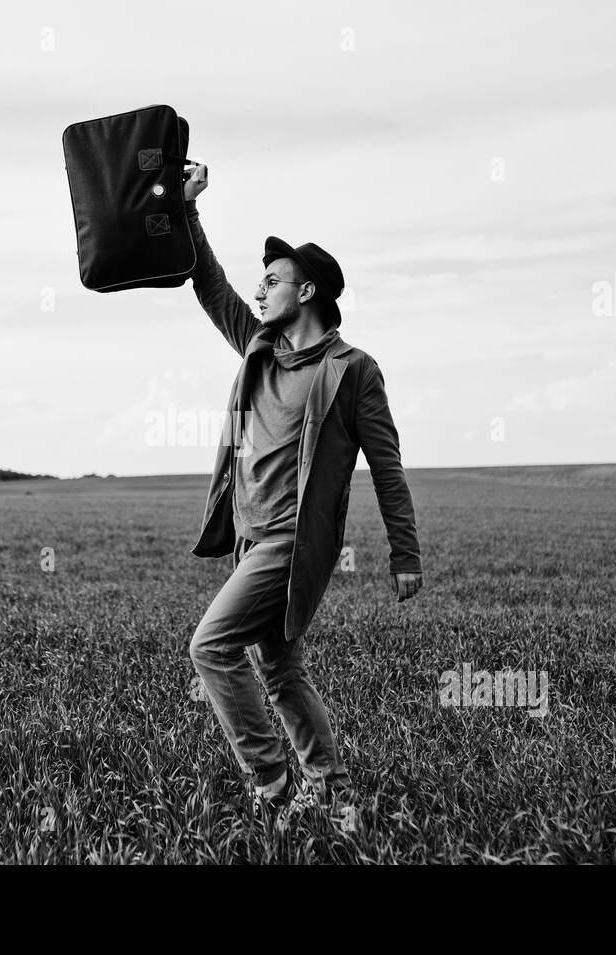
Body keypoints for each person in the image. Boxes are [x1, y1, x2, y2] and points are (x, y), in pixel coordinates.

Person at [182, 162, 424, 824]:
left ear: (307, 289)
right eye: (258, 281)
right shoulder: (259, 349)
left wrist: (405, 553)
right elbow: (210, 284)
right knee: (279, 670)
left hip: (292, 543)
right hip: (249, 538)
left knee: (211, 647)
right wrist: (188, 209)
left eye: (272, 280)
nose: (258, 291)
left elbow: (387, 462)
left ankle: (275, 787)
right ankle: (334, 787)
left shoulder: (352, 370)